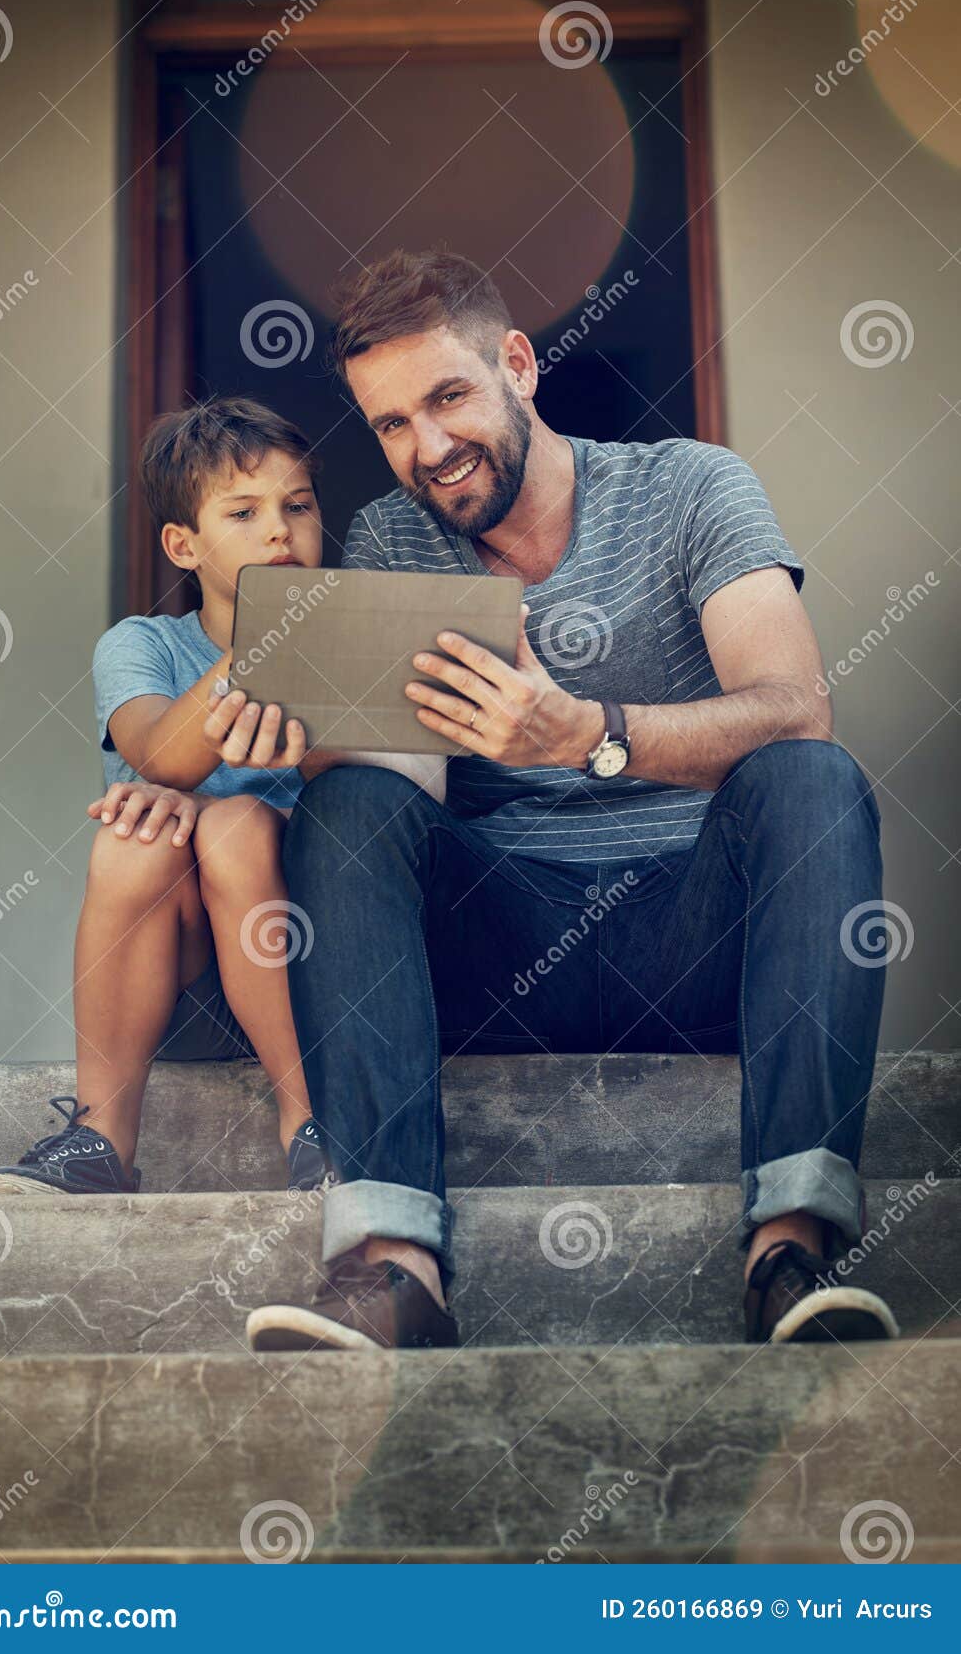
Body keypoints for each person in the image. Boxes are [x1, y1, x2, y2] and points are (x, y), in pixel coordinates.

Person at [245, 248, 899, 1351]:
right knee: (347, 805)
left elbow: (797, 708)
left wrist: (587, 733)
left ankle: (790, 1250)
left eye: (448, 397)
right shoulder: (390, 542)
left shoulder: (690, 485)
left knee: (812, 776)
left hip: (693, 936)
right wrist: (301, 752)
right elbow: (390, 799)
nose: (430, 448)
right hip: (500, 947)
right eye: (392, 424)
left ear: (516, 365)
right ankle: (396, 1270)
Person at [0, 397, 393, 1198]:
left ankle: (316, 1125)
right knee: (135, 834)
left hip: (321, 966)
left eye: (297, 507)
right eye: (245, 512)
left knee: (233, 824)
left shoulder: (358, 649)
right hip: (178, 984)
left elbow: (369, 800)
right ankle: (99, 1138)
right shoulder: (143, 645)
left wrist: (309, 650)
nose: (280, 531)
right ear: (182, 545)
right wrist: (264, 645)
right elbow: (160, 754)